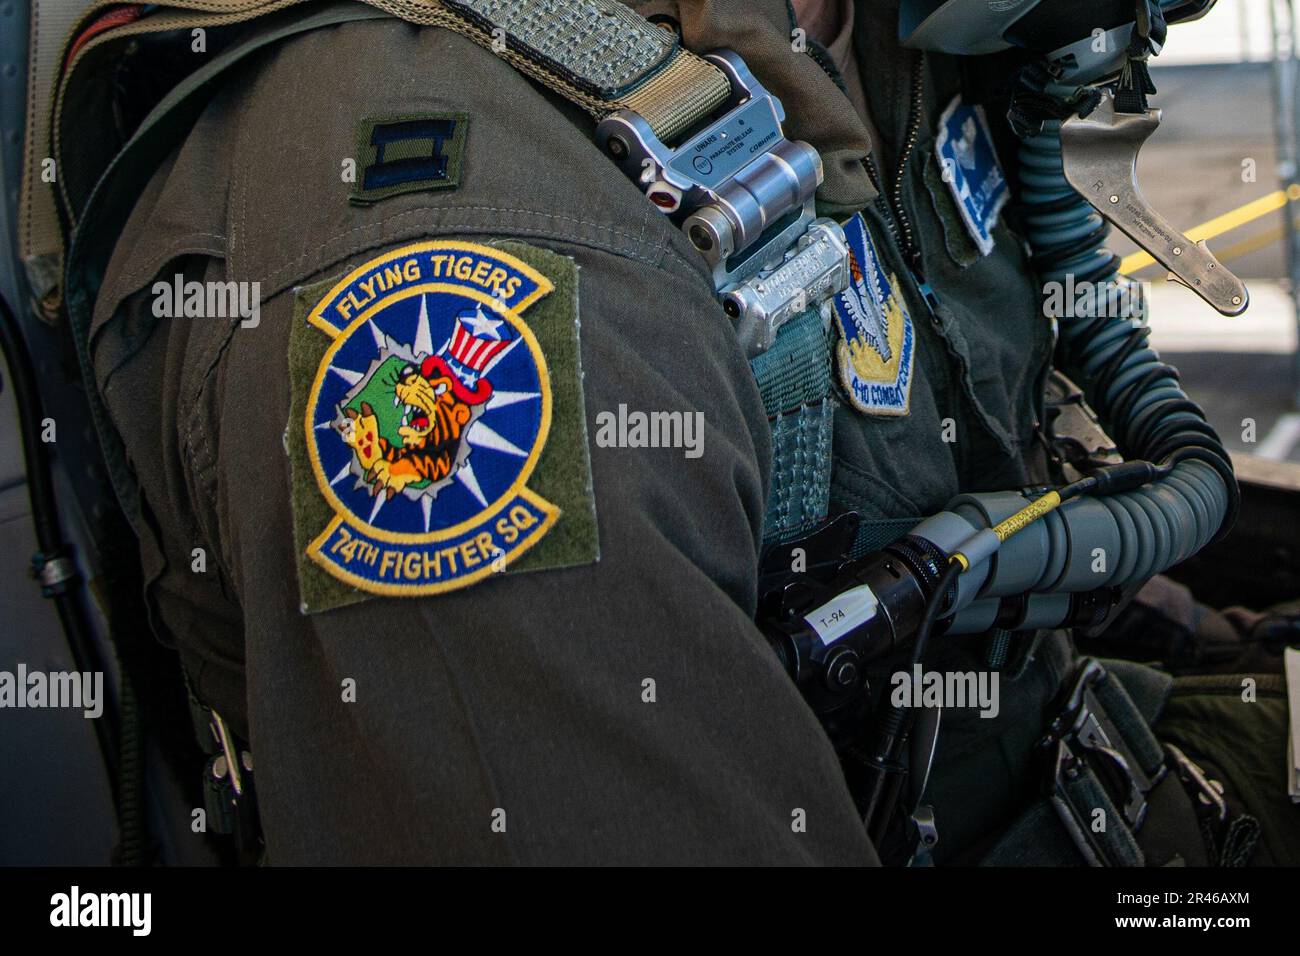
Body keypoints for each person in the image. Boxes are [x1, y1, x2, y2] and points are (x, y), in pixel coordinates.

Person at [80, 0, 1299, 864]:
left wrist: (1188, 626)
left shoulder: (860, 37)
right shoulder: (469, 268)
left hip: (1086, 737)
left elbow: (974, 468)